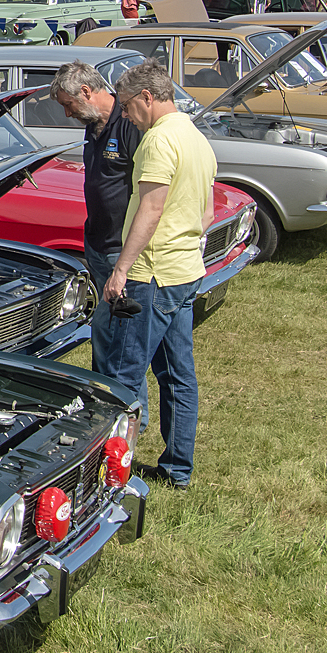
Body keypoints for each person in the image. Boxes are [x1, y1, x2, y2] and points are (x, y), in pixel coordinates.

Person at [97, 62, 215, 490]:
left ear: (148, 97)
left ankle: (114, 476)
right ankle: (177, 469)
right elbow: (206, 212)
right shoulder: (196, 137)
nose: (125, 116)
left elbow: (151, 208)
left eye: (127, 107)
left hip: (152, 275)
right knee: (178, 376)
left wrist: (121, 270)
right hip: (185, 272)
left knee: (125, 377)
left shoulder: (158, 141)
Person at [51, 60, 140, 376]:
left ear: (86, 91)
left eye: (68, 104)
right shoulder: (93, 125)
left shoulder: (129, 124)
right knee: (104, 329)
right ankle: (105, 398)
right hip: (97, 244)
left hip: (122, 248)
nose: (67, 113)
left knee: (123, 339)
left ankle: (127, 410)